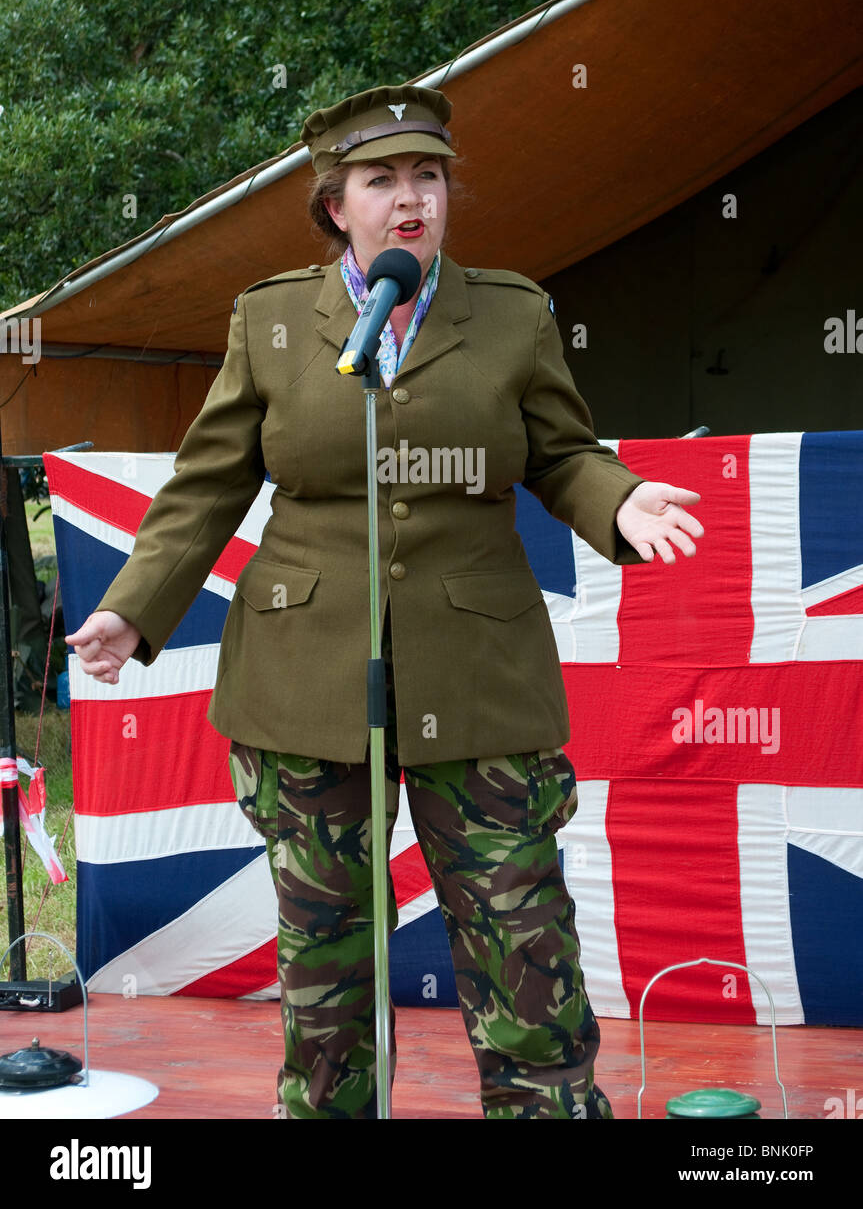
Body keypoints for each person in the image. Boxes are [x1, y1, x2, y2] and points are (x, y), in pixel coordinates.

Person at [66, 82, 704, 1120]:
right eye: (381, 180)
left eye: (427, 176)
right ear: (334, 204)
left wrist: (618, 500)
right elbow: (209, 481)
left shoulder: (509, 312)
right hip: (305, 677)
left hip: (478, 674)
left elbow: (563, 452)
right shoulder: (271, 320)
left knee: (520, 935)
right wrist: (133, 609)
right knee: (326, 963)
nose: (410, 199)